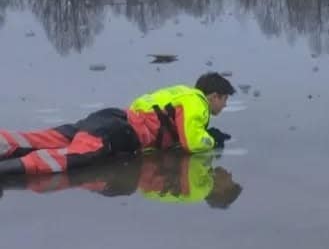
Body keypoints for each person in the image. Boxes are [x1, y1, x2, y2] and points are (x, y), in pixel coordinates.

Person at [0, 73, 235, 177]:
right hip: (118, 132)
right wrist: (213, 139)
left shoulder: (181, 93)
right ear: (214, 95)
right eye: (224, 100)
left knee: (47, 138)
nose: (224, 106)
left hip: (112, 118)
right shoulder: (198, 102)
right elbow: (192, 143)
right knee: (72, 157)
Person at [0, 152, 243, 209]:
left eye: (229, 180)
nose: (229, 174)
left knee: (68, 160)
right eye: (230, 180)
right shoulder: (198, 188)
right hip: (126, 178)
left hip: (129, 176)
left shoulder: (198, 187)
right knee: (70, 165)